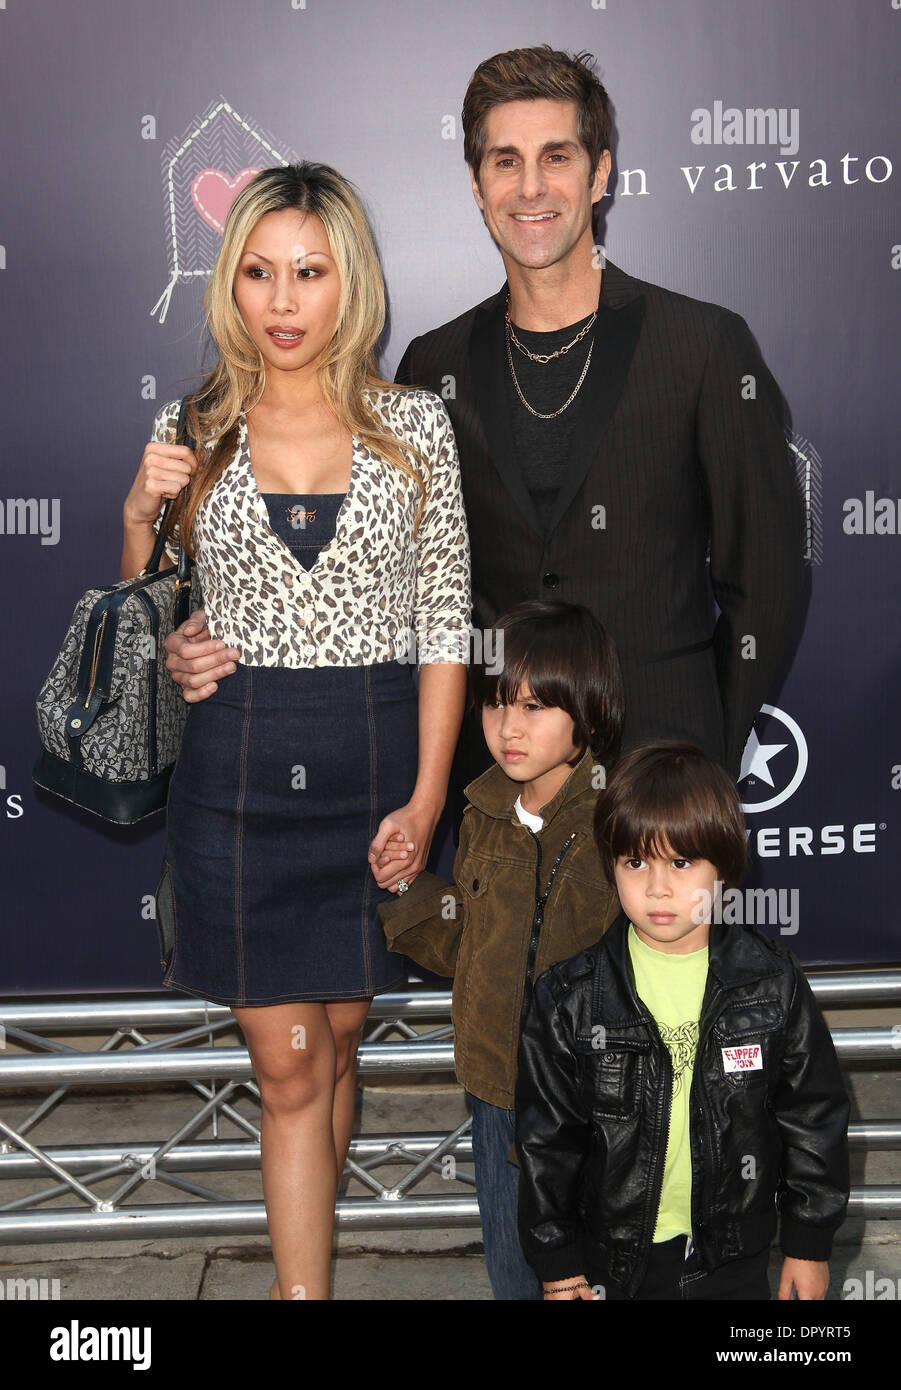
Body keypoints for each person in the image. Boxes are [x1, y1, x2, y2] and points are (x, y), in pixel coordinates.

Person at [162, 44, 805, 808]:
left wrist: (704, 760)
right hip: (490, 797)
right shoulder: (432, 365)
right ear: (476, 185)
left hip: (659, 785)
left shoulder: (702, 346)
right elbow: (381, 582)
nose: (529, 187)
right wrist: (194, 637)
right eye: (505, 162)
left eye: (555, 157)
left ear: (599, 175)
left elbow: (763, 580)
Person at [119, 162, 471, 1300]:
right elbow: (154, 617)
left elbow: (443, 630)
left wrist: (423, 803)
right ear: (231, 283)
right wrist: (140, 531)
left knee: (339, 1032)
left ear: (348, 281)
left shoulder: (416, 427)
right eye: (261, 272)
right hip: (236, 768)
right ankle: (300, 1295)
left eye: (309, 273)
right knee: (287, 1060)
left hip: (374, 759)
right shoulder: (194, 424)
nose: (282, 300)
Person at [515, 742, 850, 1301]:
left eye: (681, 862)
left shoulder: (771, 985)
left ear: (725, 864)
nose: (657, 887)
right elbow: (546, 1143)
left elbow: (812, 1118)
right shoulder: (569, 997)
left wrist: (807, 1243)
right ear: (611, 865)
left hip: (732, 1259)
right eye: (635, 862)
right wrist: (559, 1264)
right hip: (611, 1261)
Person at [377, 599, 624, 1299]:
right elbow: (472, 944)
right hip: (496, 1090)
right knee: (516, 1271)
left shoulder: (620, 823)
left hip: (594, 1102)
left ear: (592, 713)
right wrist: (407, 891)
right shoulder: (481, 811)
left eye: (535, 707)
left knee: (599, 1273)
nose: (508, 728)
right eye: (492, 705)